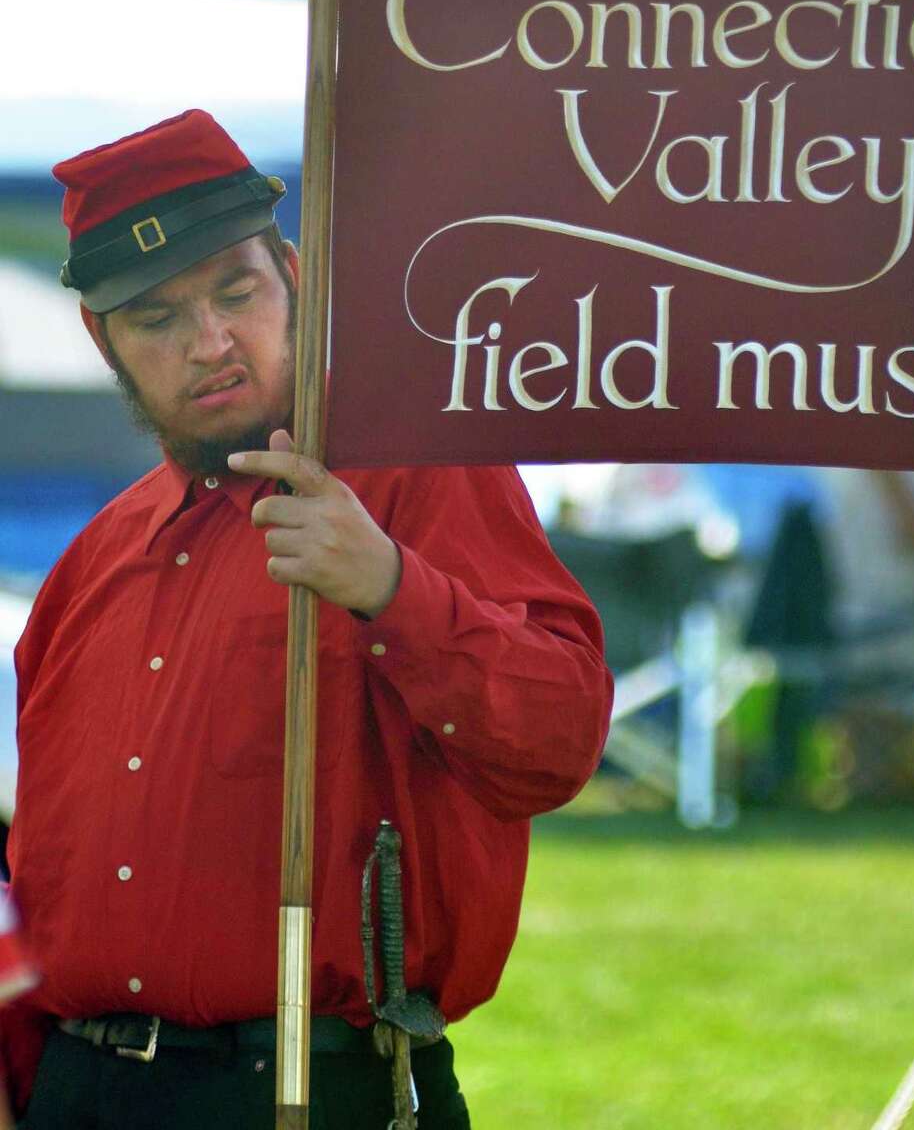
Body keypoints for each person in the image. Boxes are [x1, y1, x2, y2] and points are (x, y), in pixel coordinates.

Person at [2, 109, 612, 1129]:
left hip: (313, 1087)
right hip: (75, 1087)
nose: (210, 343)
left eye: (235, 292)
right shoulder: (90, 565)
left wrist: (391, 586)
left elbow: (559, 742)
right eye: (156, 318)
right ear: (103, 340)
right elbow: (34, 871)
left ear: (292, 275)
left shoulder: (418, 477)